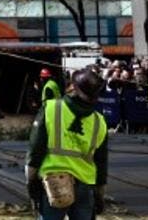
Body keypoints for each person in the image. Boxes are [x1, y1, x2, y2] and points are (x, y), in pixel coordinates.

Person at [27, 69, 109, 220]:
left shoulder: (51, 109)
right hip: (85, 185)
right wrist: (99, 195)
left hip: (54, 183)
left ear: (73, 87)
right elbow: (101, 162)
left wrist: (31, 182)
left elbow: (35, 150)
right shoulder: (100, 121)